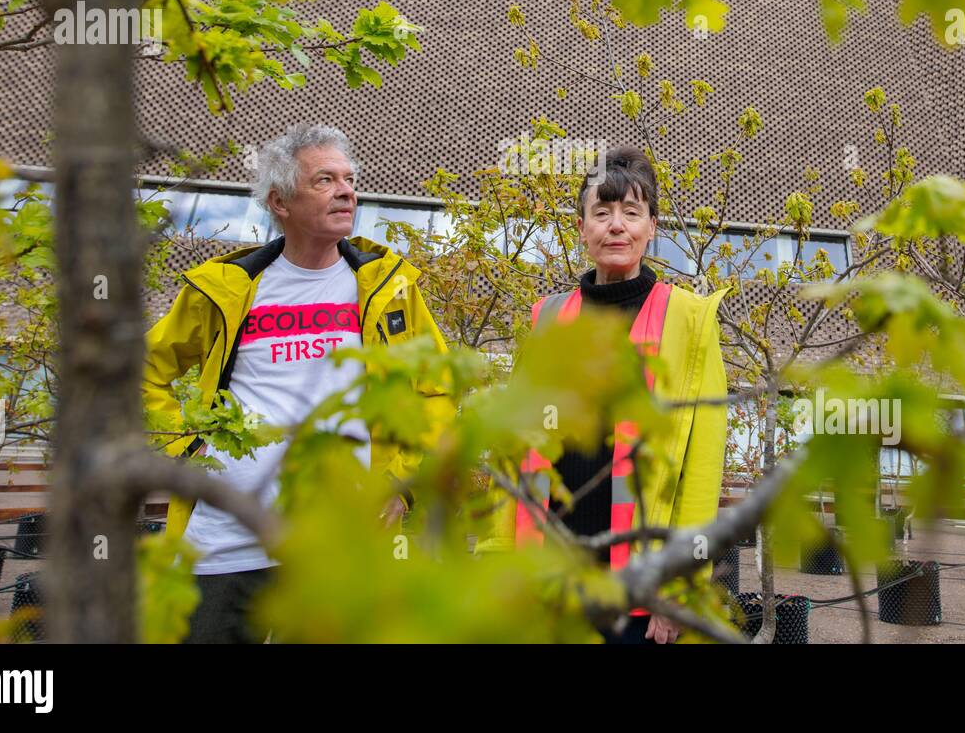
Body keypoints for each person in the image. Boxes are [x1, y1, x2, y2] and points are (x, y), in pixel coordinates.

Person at [142, 124, 451, 643]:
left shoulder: (388, 288)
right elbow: (143, 372)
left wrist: (402, 482)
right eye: (325, 180)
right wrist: (185, 443)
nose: (347, 190)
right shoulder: (227, 288)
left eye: (349, 179)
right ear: (279, 201)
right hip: (224, 541)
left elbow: (435, 388)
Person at [477, 144, 729, 644]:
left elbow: (702, 469)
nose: (617, 225)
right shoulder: (546, 318)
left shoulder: (689, 322)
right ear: (581, 227)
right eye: (602, 212)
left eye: (631, 213)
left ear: (651, 226)